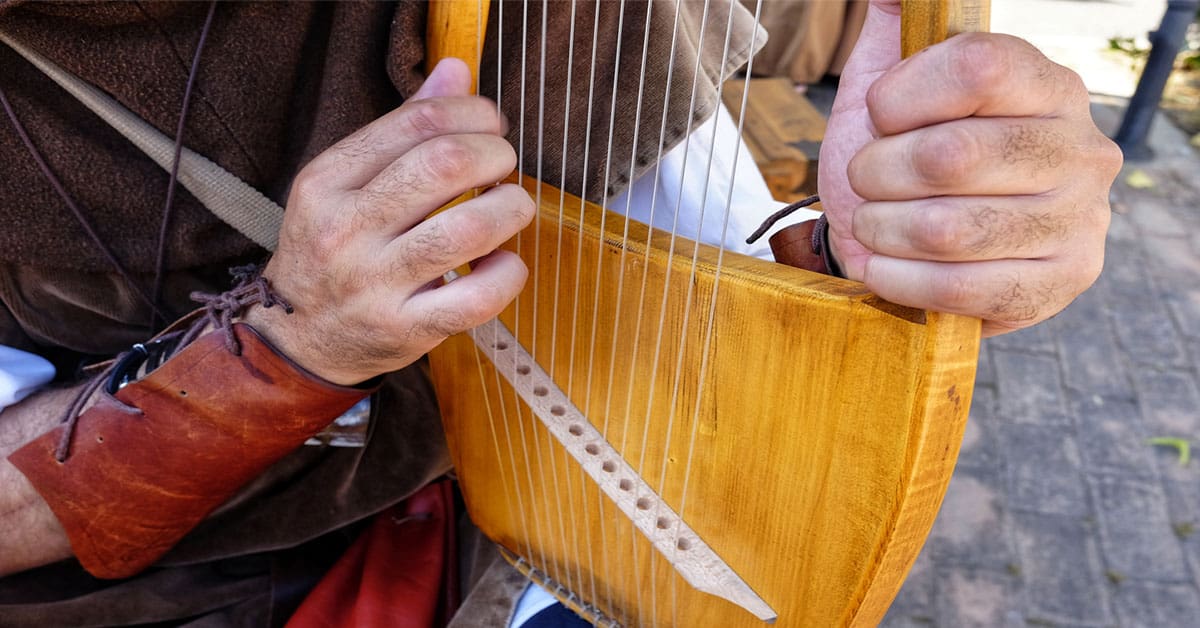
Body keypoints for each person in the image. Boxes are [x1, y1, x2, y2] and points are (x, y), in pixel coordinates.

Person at [0, 0, 1120, 625]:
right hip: (193, 587)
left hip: (554, 507)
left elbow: (774, 113)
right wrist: (288, 347)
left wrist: (922, 225)